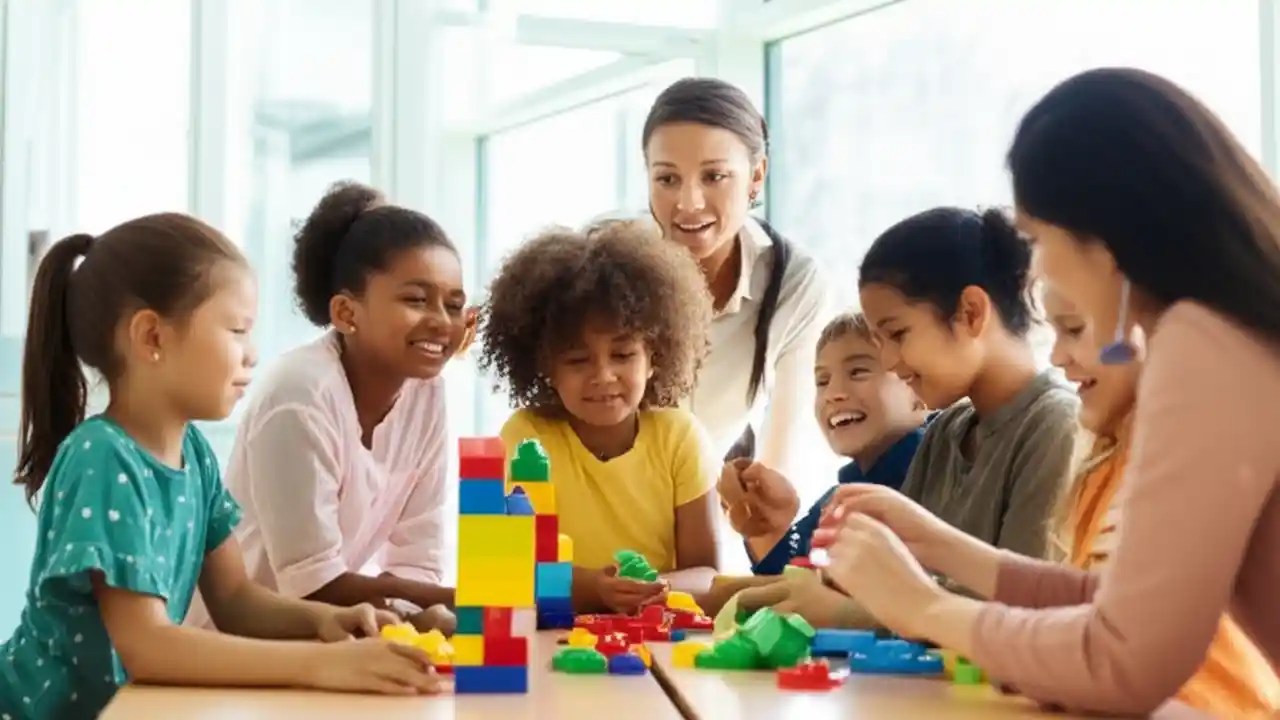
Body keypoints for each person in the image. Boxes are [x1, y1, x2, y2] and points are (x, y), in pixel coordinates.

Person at [819, 68, 1280, 716]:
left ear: (1104, 234)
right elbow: (1121, 608)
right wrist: (946, 551)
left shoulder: (1201, 342)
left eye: (1037, 238)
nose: (1035, 269)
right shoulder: (1236, 330)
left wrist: (924, 606)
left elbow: (1122, 660)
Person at [0, 215, 440, 719]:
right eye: (236, 330)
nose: (252, 354)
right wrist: (322, 664)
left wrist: (325, 623)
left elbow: (235, 599)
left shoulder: (195, 455)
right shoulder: (102, 457)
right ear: (151, 337)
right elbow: (148, 646)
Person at [186, 182, 468, 633]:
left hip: (333, 639)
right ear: (345, 313)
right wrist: (467, 599)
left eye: (454, 304)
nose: (442, 321)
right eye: (416, 299)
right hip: (239, 650)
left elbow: (417, 558)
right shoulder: (299, 394)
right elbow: (313, 585)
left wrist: (423, 615)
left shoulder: (427, 392)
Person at [1044, 288, 1279, 718]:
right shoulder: (1102, 469)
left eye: (1074, 329)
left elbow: (1122, 654)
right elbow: (1091, 615)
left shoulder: (1201, 456)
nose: (1056, 357)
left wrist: (938, 610)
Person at [478, 220, 719, 614]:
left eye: (623, 355)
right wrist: (595, 588)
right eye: (577, 360)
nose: (603, 376)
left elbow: (708, 573)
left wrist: (657, 587)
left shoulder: (680, 436)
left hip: (657, 641)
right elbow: (509, 569)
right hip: (553, 640)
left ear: (654, 358)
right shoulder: (526, 437)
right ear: (546, 368)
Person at [857, 206, 1079, 560]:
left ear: (971, 312)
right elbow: (894, 570)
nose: (888, 362)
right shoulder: (945, 432)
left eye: (897, 333)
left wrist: (847, 609)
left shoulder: (1055, 426)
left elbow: (1022, 600)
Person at [643, 77, 832, 478]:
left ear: (757, 174)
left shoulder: (791, 281)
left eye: (714, 177)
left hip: (707, 518)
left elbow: (779, 462)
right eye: (667, 179)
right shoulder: (604, 264)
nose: (689, 204)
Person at [718, 312, 928, 575]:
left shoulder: (935, 476)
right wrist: (767, 524)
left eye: (858, 372)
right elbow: (789, 582)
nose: (833, 394)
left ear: (918, 385)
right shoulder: (841, 495)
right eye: (822, 381)